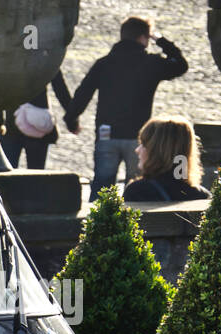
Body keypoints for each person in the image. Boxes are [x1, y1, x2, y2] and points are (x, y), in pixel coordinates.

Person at [64, 15, 188, 198]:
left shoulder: (104, 63)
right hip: (138, 138)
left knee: (102, 188)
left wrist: (71, 120)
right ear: (144, 38)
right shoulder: (151, 63)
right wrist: (160, 39)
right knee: (137, 190)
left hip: (107, 134)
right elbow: (181, 65)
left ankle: (98, 226)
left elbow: (83, 93)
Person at [123, 117, 211, 202]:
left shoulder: (136, 191)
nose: (137, 150)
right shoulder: (202, 195)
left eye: (144, 144)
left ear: (157, 151)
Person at [0, 70, 73, 170]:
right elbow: (60, 88)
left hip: (12, 122)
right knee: (36, 173)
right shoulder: (47, 55)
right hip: (37, 123)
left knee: (6, 172)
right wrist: (72, 119)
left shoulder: (9, 55)